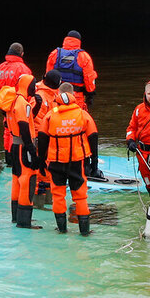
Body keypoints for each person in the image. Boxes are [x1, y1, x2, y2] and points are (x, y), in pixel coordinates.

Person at [37, 83, 98, 235]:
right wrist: (93, 161)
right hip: (77, 162)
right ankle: (84, 231)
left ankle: (62, 229)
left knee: (58, 195)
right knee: (80, 196)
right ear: (73, 99)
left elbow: (42, 139)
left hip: (56, 162)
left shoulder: (50, 116)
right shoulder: (82, 114)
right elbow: (93, 136)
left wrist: (41, 161)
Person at [0, 73, 40, 228]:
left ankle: (16, 217)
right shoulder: (22, 103)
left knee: (16, 179)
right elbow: (24, 126)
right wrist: (31, 150)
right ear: (27, 86)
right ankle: (24, 221)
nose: (35, 87)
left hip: (15, 145)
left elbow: (11, 125)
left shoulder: (14, 102)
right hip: (23, 146)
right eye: (33, 85)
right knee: (27, 180)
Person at [0, 42, 33, 160]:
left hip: (4, 105)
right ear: (21, 54)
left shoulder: (0, 67)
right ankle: (16, 157)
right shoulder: (23, 69)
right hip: (17, 104)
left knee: (7, 130)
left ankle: (8, 155)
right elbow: (28, 89)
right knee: (16, 132)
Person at [44, 30, 97, 111]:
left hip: (58, 96)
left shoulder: (54, 54)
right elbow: (89, 78)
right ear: (79, 41)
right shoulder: (84, 56)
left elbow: (48, 76)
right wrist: (90, 95)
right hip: (76, 98)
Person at [32, 70, 61, 209]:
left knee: (48, 171)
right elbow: (37, 122)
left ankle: (47, 200)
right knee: (41, 172)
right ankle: (39, 202)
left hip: (48, 139)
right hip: (42, 139)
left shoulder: (50, 95)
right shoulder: (41, 97)